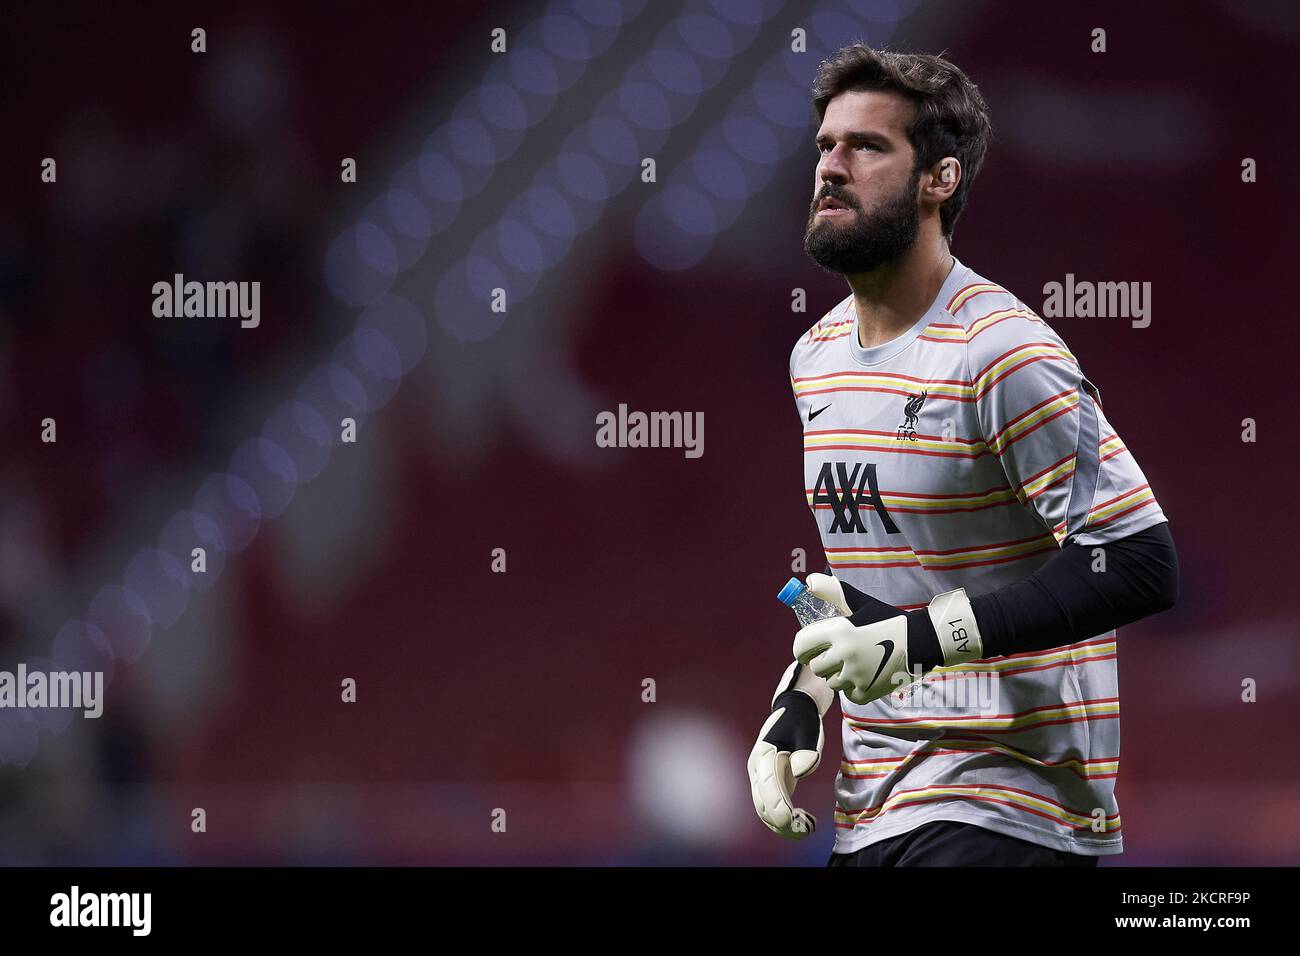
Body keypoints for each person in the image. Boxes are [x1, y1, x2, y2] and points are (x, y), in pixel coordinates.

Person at [747, 44, 1178, 867]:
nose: (831, 167)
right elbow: (882, 595)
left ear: (939, 179)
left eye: (866, 146)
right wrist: (798, 700)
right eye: (823, 146)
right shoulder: (817, 357)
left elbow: (1139, 563)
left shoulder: (1002, 352)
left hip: (1010, 804)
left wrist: (915, 642)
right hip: (872, 806)